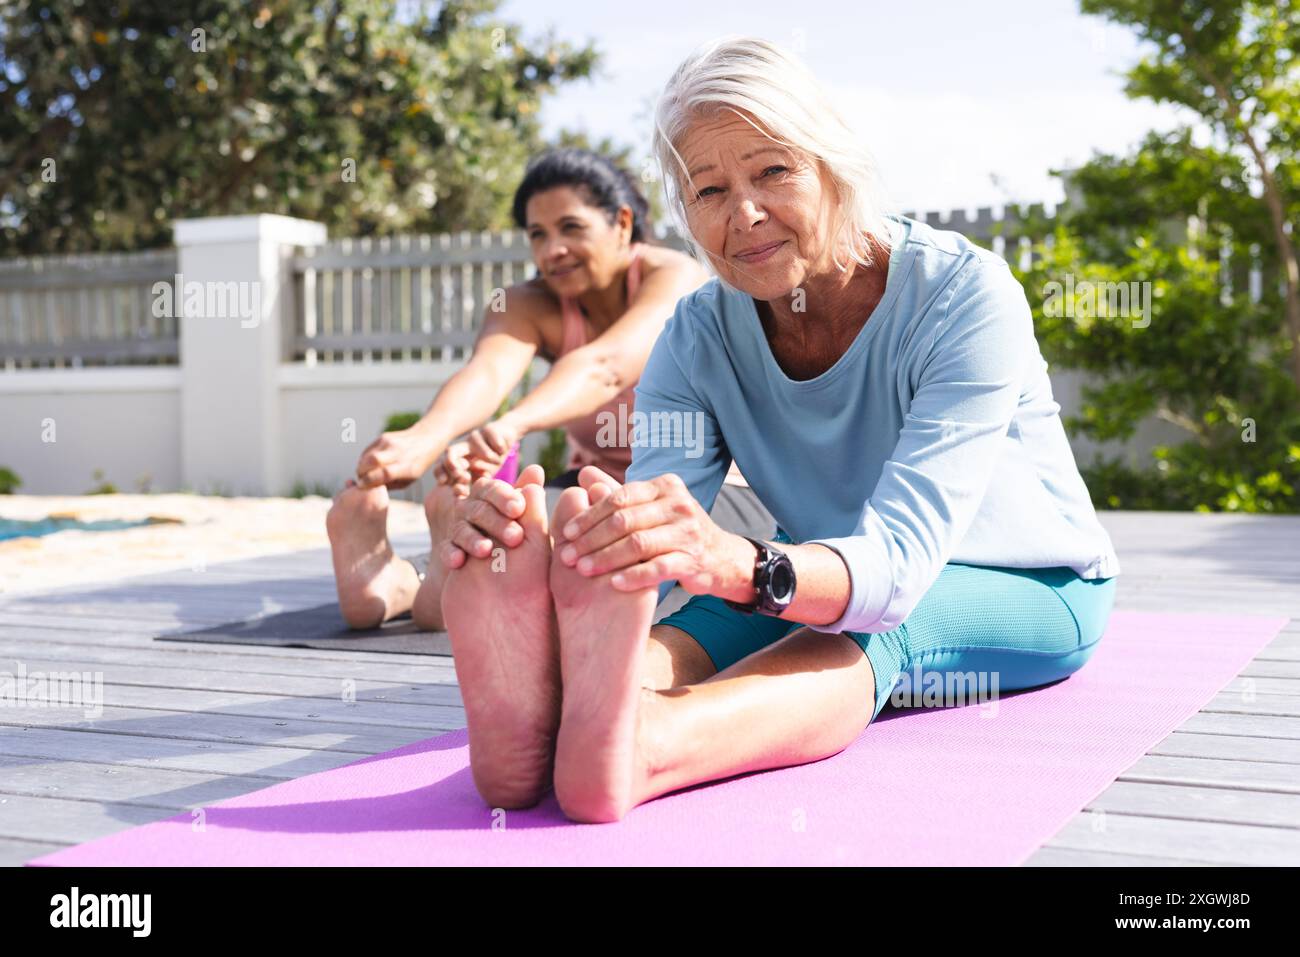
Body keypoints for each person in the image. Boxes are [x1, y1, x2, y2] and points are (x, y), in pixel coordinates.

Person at [437, 37, 1122, 823]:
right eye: (710, 190)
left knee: (876, 626)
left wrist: (734, 560)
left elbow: (897, 567)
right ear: (686, 213)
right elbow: (661, 537)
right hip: (810, 571)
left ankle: (652, 742)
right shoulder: (695, 334)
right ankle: (559, 710)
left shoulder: (965, 299)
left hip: (1031, 582)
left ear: (833, 166)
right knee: (711, 609)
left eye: (772, 172)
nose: (745, 214)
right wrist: (570, 545)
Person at [326, 148, 771, 631]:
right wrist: (425, 437)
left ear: (622, 223)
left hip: (709, 490)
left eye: (571, 228)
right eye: (538, 235)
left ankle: (440, 581)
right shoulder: (527, 302)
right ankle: (395, 580)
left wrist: (510, 425)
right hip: (596, 487)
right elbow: (488, 373)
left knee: (576, 551)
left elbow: (607, 367)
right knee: (516, 534)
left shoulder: (676, 276)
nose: (552, 249)